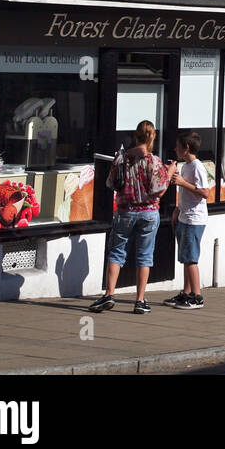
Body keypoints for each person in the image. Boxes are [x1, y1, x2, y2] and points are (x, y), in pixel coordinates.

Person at [90, 120, 171, 314]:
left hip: (125, 210)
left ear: (135, 136)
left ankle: (109, 294)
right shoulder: (155, 161)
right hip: (149, 212)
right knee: (144, 256)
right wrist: (170, 173)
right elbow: (159, 190)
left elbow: (111, 183)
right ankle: (140, 300)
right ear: (152, 137)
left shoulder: (122, 159)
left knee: (117, 252)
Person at [164, 131, 213, 309]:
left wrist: (183, 182)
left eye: (178, 146)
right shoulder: (185, 166)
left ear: (186, 148)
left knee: (191, 259)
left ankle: (197, 296)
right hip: (185, 216)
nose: (175, 149)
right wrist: (177, 209)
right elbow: (185, 193)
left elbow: (205, 193)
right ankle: (186, 293)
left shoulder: (197, 167)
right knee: (185, 257)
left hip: (195, 219)